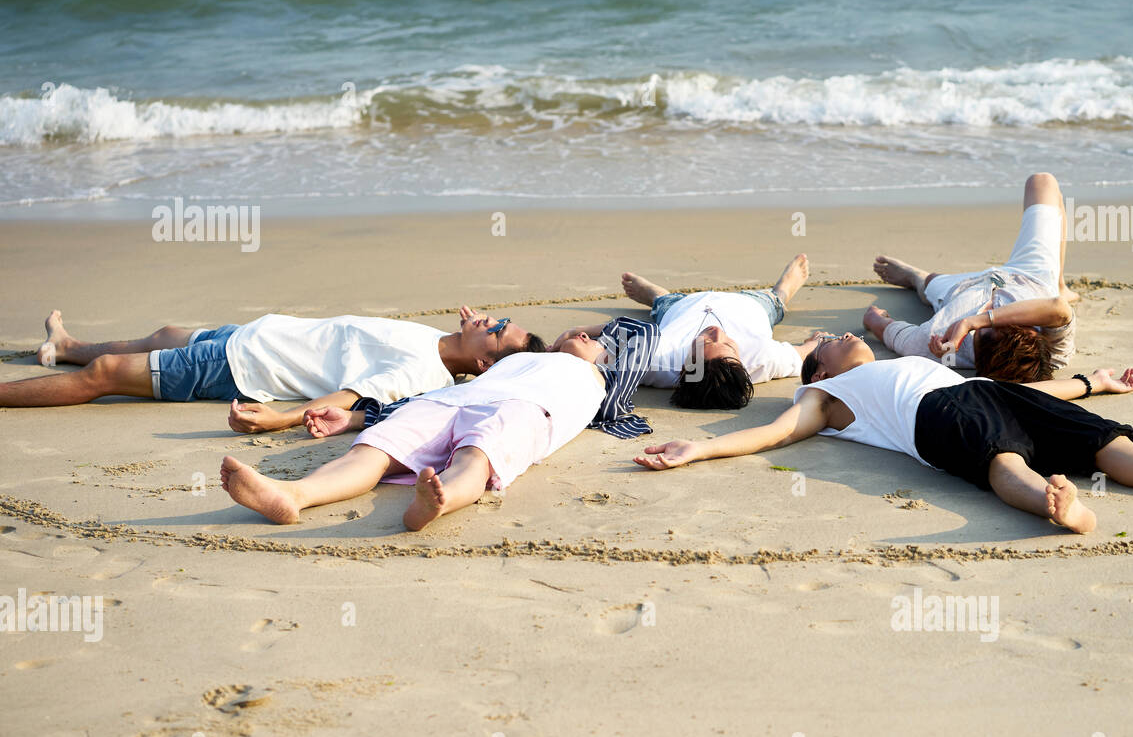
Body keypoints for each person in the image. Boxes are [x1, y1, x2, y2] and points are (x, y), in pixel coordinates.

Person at [633, 332, 1133, 533]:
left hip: (984, 394)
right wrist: (702, 448)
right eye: (831, 344)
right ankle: (1051, 501)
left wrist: (1092, 385)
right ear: (820, 371)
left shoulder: (907, 363)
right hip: (941, 420)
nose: (840, 338)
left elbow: (1025, 393)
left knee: (1105, 441)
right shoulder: (825, 395)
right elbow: (777, 434)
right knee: (998, 458)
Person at [221, 316, 658, 530]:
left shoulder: (608, 382)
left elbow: (642, 333)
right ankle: (293, 495)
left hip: (525, 410)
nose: (585, 337)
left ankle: (438, 502)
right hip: (453, 399)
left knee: (476, 457)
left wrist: (598, 340)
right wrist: (356, 417)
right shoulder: (525, 358)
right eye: (576, 335)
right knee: (375, 448)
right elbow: (411, 396)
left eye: (594, 342)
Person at [2, 306, 544, 433]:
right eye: (501, 320)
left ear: (480, 362)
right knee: (164, 335)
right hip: (255, 335)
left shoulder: (423, 372)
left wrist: (281, 419)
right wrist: (473, 331)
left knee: (110, 375)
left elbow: (348, 398)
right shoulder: (437, 341)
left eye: (496, 331)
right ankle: (68, 345)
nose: (491, 319)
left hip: (239, 366)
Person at [865, 172, 1079, 383]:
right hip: (1030, 274)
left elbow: (876, 322)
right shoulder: (1054, 354)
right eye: (1020, 324)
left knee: (927, 285)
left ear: (977, 351)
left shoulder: (936, 344)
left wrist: (877, 318)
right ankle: (1061, 284)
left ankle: (917, 278)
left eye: (986, 329)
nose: (999, 318)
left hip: (962, 288)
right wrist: (972, 322)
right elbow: (1058, 308)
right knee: (1042, 182)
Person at [618, 253, 828, 409]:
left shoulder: (658, 360)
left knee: (665, 304)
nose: (716, 333)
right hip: (749, 305)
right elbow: (802, 353)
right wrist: (817, 342)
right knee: (775, 302)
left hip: (682, 307)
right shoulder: (762, 358)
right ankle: (784, 288)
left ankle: (657, 296)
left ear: (685, 365)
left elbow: (603, 355)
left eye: (706, 344)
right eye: (728, 345)